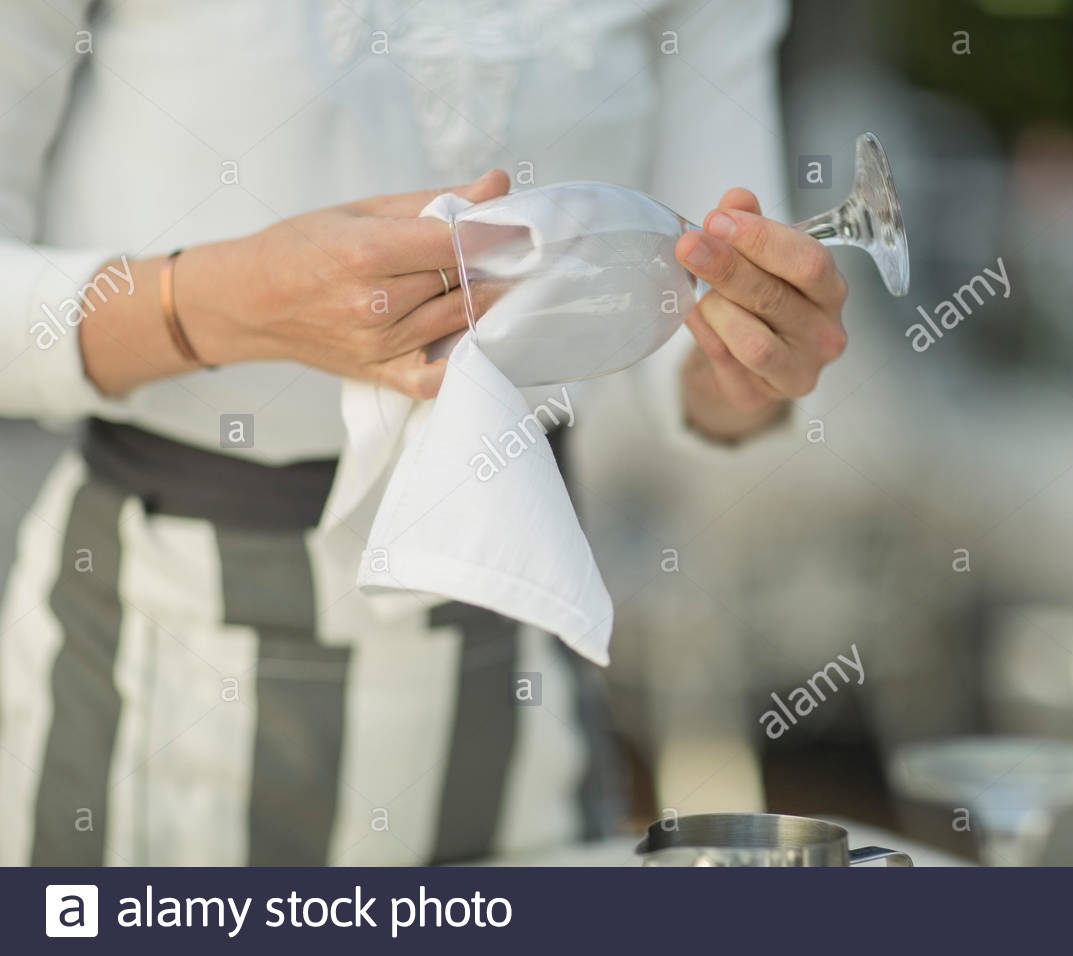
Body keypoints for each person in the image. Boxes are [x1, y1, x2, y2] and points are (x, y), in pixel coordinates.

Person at [0, 0, 849, 865]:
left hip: (514, 654)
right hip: (155, 657)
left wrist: (752, 362)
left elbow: (707, 346)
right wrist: (230, 304)